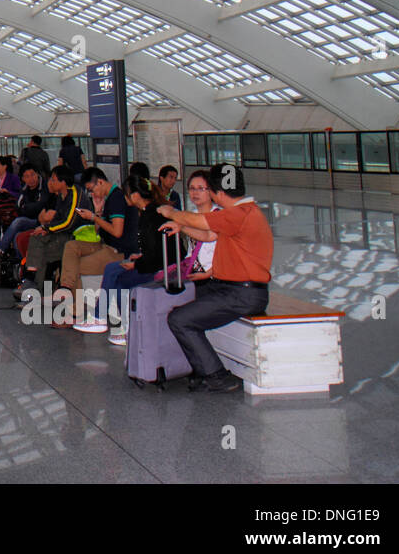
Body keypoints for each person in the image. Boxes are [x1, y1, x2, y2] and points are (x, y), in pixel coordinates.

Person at [160, 163, 273, 393]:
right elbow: (209, 235)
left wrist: (171, 212)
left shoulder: (238, 214)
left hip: (241, 294)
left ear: (218, 193)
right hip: (234, 289)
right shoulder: (243, 213)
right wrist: (180, 227)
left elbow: (202, 224)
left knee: (180, 319)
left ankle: (217, 375)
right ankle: (200, 370)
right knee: (191, 300)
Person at [60, 167, 141, 332]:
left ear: (101, 182)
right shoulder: (108, 198)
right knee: (71, 246)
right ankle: (66, 286)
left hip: (118, 251)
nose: (93, 194)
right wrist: (98, 211)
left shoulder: (117, 198)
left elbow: (117, 232)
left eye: (92, 189)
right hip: (105, 245)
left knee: (76, 267)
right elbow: (98, 230)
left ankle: (76, 313)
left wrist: (93, 216)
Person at [96, 175, 170, 343]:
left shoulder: (152, 215)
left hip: (161, 269)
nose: (124, 198)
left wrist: (137, 263)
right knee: (119, 277)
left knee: (114, 271)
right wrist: (140, 258)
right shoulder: (147, 213)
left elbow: (161, 254)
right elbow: (154, 249)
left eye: (126, 194)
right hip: (152, 263)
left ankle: (101, 317)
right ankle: (125, 327)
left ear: (135, 196)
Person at [13, 165, 85, 299]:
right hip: (60, 233)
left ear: (63, 182)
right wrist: (45, 229)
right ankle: (31, 282)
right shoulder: (60, 196)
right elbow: (56, 218)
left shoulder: (75, 194)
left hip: (73, 235)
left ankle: (34, 284)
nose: (50, 182)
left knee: (42, 248)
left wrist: (47, 228)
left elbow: (69, 222)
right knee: (36, 237)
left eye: (53, 179)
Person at [0, 163, 49, 264]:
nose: (31, 179)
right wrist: (29, 208)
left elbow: (40, 205)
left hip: (39, 221)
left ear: (37, 174)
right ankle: (20, 263)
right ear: (23, 178)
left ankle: (0, 248)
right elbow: (18, 207)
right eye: (27, 176)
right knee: (17, 235)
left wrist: (27, 208)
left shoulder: (44, 187)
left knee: (19, 221)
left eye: (32, 175)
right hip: (27, 220)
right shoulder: (24, 189)